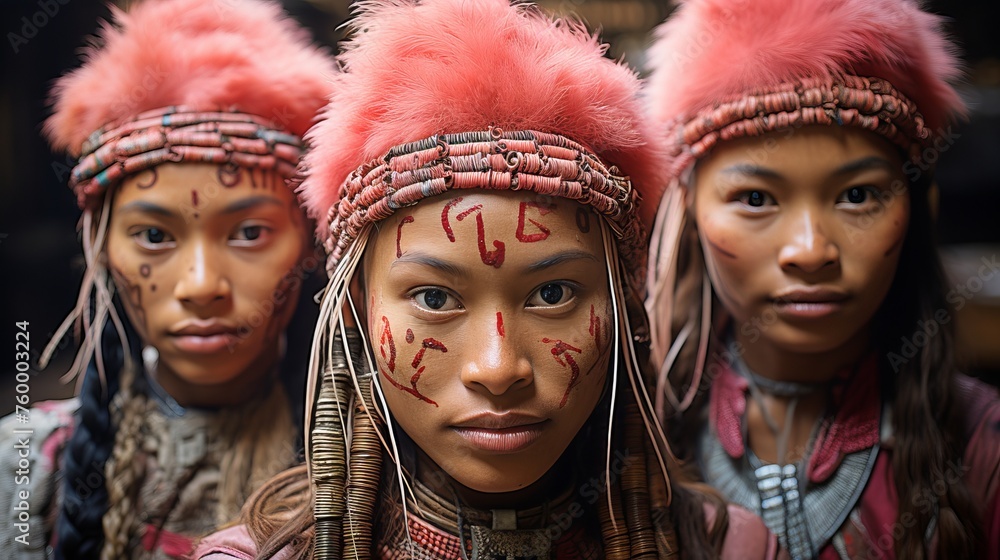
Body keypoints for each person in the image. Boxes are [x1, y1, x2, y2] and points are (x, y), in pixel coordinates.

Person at [192, 0, 785, 558]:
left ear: (621, 304)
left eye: (552, 294)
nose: (498, 370)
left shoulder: (735, 550)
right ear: (357, 308)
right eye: (434, 297)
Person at [642, 0, 1000, 558]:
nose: (810, 251)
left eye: (857, 195)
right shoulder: (630, 441)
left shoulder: (983, 444)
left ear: (917, 206)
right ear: (689, 212)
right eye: (755, 198)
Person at [0, 0, 335, 558]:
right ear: (102, 249)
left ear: (309, 247)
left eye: (249, 232)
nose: (201, 285)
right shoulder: (24, 468)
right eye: (154, 236)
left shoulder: (381, 475)